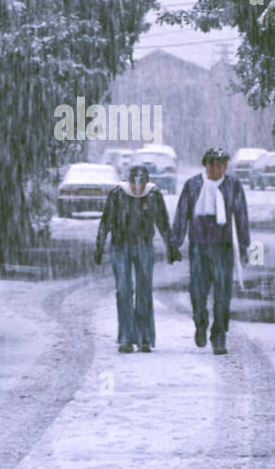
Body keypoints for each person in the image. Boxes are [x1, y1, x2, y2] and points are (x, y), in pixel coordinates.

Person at [169, 147, 250, 355]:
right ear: (207, 165)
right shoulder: (193, 185)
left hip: (223, 247)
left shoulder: (233, 186)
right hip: (199, 246)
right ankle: (200, 323)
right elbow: (182, 213)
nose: (220, 169)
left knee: (223, 295)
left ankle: (219, 335)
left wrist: (244, 245)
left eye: (224, 165)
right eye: (216, 165)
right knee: (197, 292)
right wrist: (175, 243)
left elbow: (241, 216)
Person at [95, 164, 172, 352]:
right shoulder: (118, 194)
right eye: (135, 183)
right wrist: (100, 244)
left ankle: (145, 337)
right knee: (124, 290)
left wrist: (171, 245)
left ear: (146, 182)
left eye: (141, 184)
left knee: (144, 290)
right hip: (120, 246)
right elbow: (106, 220)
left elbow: (163, 221)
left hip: (144, 245)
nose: (138, 188)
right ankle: (126, 338)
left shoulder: (153, 194)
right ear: (129, 181)